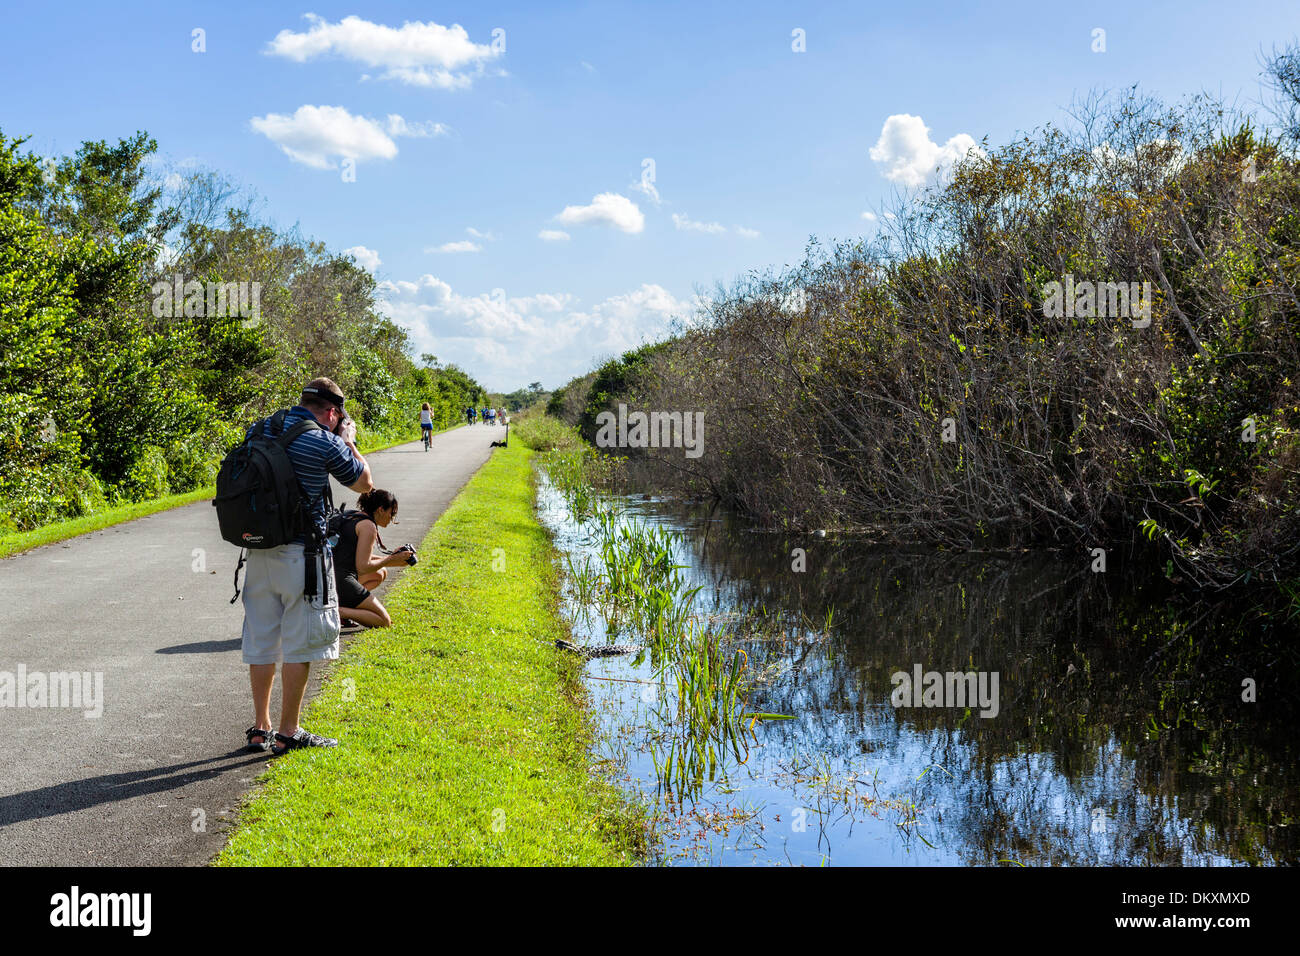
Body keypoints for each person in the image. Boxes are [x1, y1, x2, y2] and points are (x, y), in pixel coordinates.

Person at [240, 377, 373, 756]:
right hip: (303, 556)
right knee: (299, 644)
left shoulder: (262, 427)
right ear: (333, 413)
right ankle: (288, 731)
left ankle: (259, 728)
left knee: (261, 640)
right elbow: (365, 483)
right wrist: (348, 440)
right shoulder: (324, 439)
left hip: (258, 551)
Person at [335, 489, 414, 630]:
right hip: (342, 580)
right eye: (391, 513)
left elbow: (357, 556)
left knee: (379, 573)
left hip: (330, 576)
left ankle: (343, 606)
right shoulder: (368, 527)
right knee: (384, 621)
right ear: (380, 510)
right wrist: (391, 560)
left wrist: (393, 558)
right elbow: (363, 566)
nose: (392, 518)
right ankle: (338, 611)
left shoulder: (354, 516)